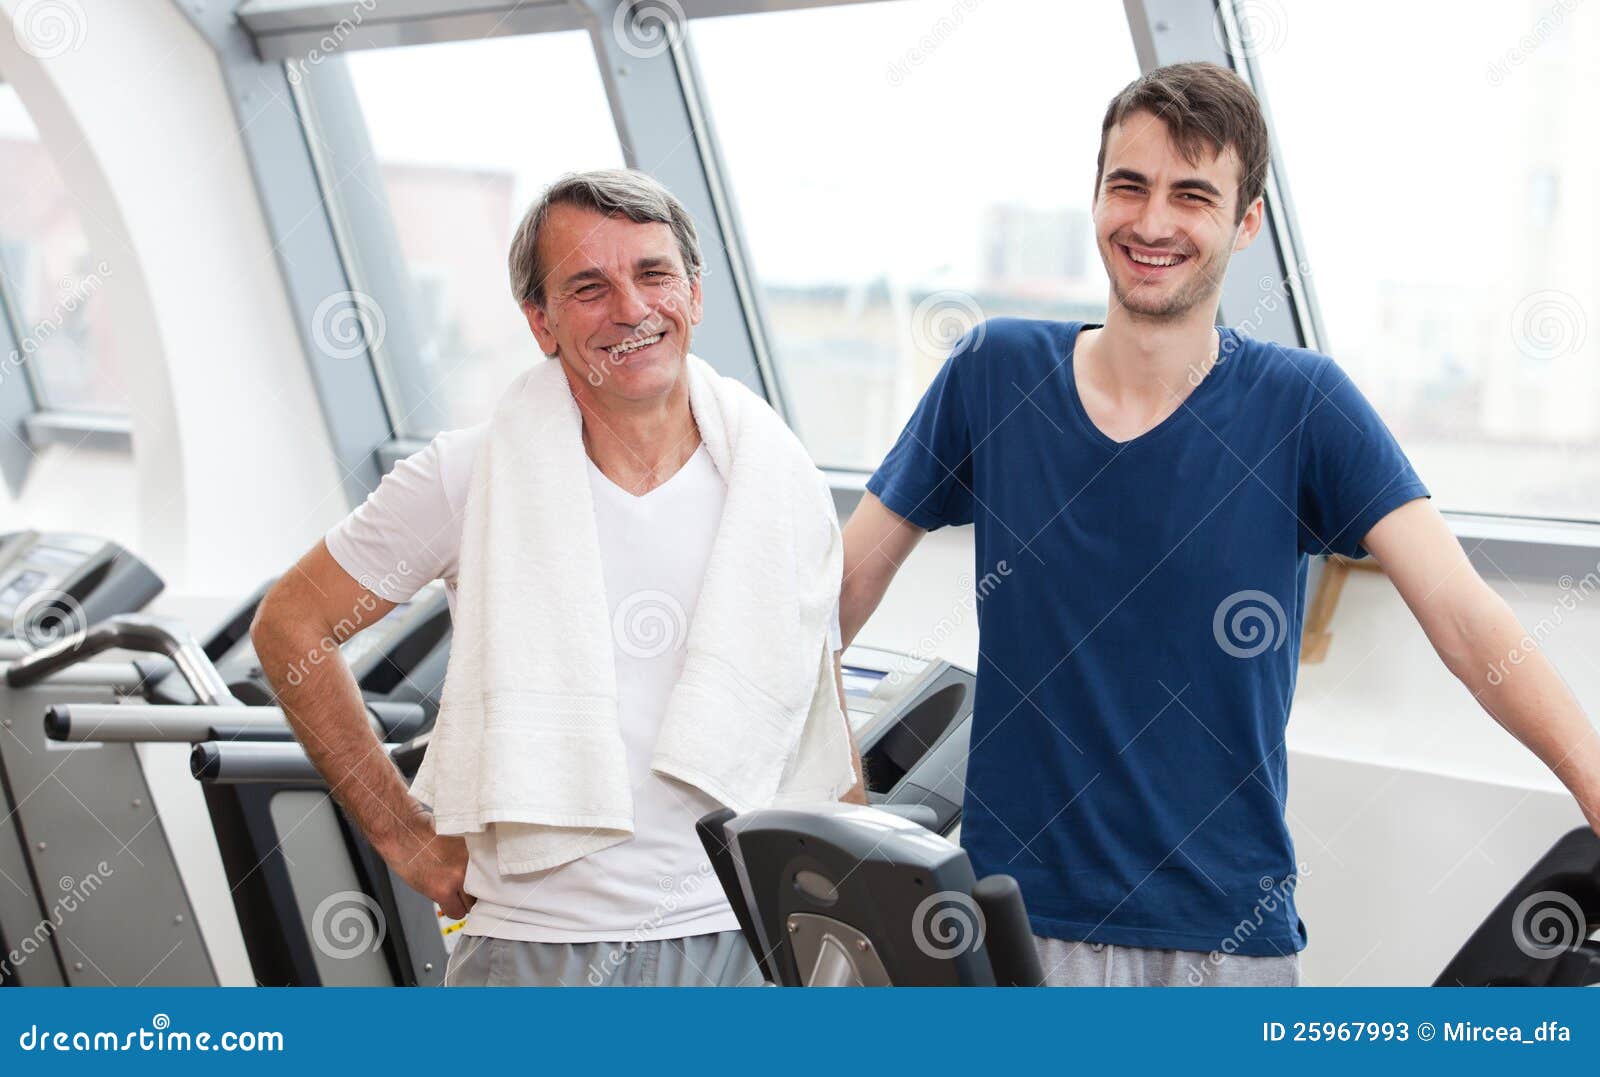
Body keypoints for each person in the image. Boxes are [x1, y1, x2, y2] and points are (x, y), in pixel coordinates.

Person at [839, 62, 1600, 987]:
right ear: (1096, 198)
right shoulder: (994, 372)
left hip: (1222, 945)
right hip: (1012, 929)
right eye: (1130, 186)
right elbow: (841, 590)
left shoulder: (1302, 404)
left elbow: (1467, 619)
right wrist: (819, 779)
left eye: (1192, 195)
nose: (1153, 223)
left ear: (1246, 222)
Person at [252, 169, 865, 988]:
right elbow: (290, 625)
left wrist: (855, 908)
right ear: (540, 321)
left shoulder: (778, 479)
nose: (631, 309)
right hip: (534, 947)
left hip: (744, 937)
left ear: (694, 293)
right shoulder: (469, 474)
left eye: (653, 274)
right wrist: (405, 836)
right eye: (588, 287)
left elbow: (820, 700)